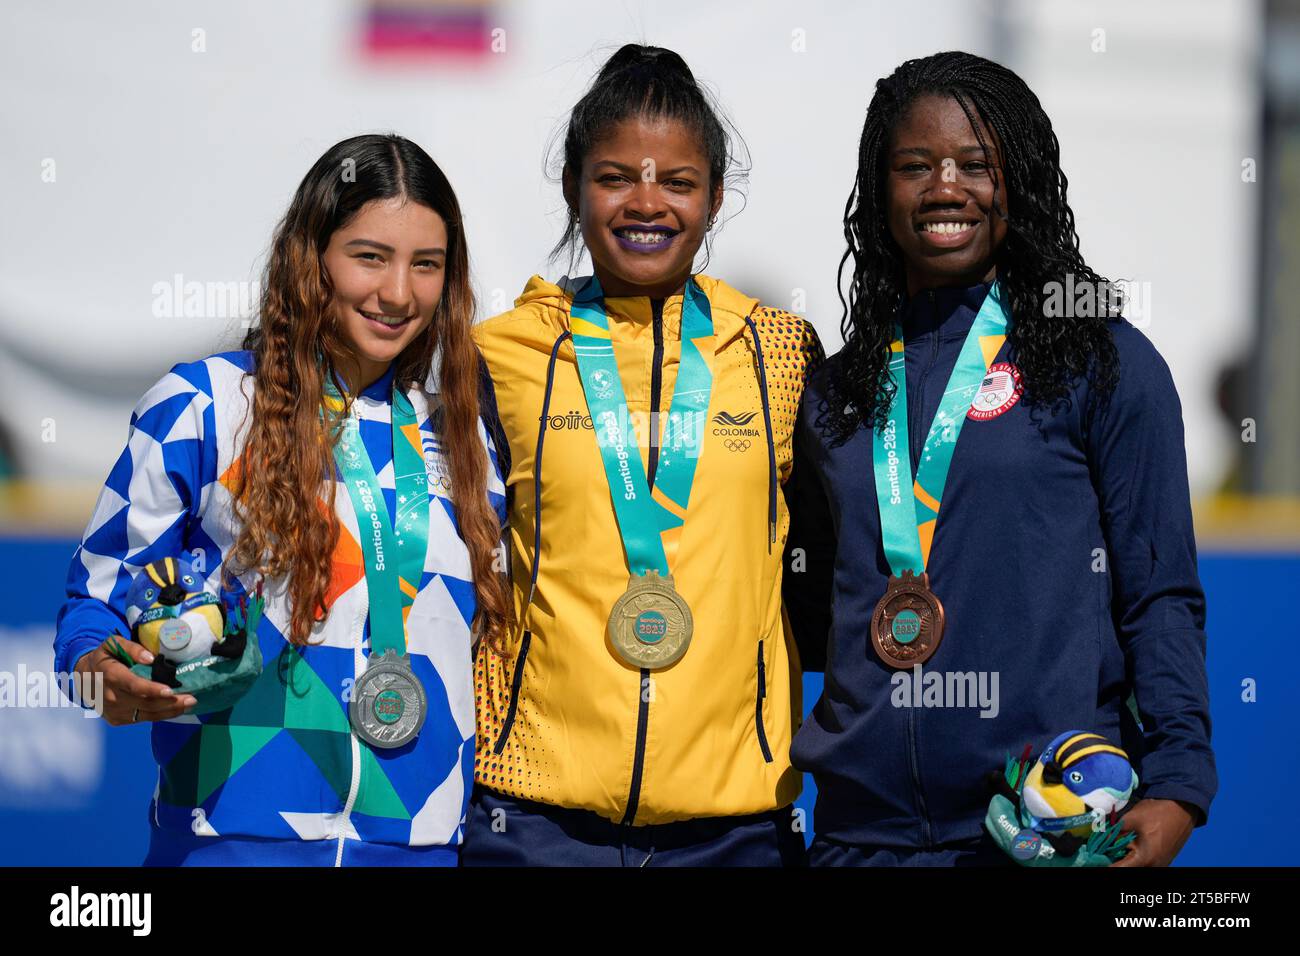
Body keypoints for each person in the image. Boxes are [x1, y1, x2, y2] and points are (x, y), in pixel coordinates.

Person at [784, 51, 1216, 867]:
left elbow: (1159, 593)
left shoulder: (1103, 362)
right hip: (855, 841)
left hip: (1037, 837)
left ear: (1021, 182)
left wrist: (1179, 785)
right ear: (880, 194)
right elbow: (802, 612)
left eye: (977, 165)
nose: (946, 188)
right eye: (915, 166)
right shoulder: (834, 394)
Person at [53, 133, 511, 866]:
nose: (398, 292)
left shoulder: (468, 436)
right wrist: (101, 677)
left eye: (426, 264)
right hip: (230, 844)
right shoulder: (205, 407)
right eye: (369, 256)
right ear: (310, 258)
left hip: (421, 848)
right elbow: (94, 605)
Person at [460, 44, 822, 866]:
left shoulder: (783, 352)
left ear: (716, 196)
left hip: (734, 827)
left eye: (679, 182)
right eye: (616, 176)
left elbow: (835, 561)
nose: (646, 203)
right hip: (536, 818)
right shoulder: (502, 353)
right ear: (573, 188)